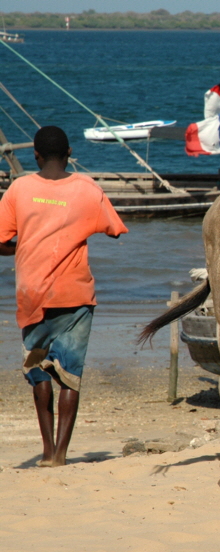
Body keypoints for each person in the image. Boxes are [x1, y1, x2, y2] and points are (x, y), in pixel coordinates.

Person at [0, 126, 128, 467]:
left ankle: (44, 452)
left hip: (32, 296)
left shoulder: (19, 188)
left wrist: (24, 244)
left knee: (38, 370)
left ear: (36, 155)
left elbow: (1, 242)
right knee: (70, 374)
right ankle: (60, 455)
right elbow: (115, 230)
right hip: (75, 295)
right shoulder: (87, 189)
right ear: (69, 152)